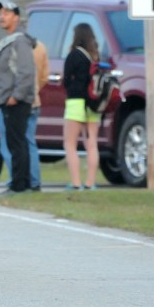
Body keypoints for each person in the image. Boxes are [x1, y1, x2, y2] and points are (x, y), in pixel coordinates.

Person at [0, 1, 35, 195]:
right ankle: (20, 183)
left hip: (17, 101)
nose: (2, 16)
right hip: (7, 99)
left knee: (17, 143)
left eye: (7, 13)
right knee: (14, 142)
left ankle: (20, 186)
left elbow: (26, 73)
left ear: (17, 18)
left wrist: (15, 97)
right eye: (1, 13)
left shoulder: (20, 41)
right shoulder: (8, 41)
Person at [0, 32, 49, 190]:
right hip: (33, 100)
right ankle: (33, 181)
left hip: (15, 100)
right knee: (29, 142)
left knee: (11, 143)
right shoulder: (40, 47)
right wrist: (35, 90)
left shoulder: (10, 46)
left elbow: (0, 74)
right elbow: (43, 76)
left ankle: (17, 180)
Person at [63, 22, 103, 191]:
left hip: (76, 102)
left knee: (70, 144)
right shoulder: (95, 57)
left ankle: (76, 183)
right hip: (93, 103)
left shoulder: (74, 56)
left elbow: (66, 80)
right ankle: (90, 183)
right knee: (91, 143)